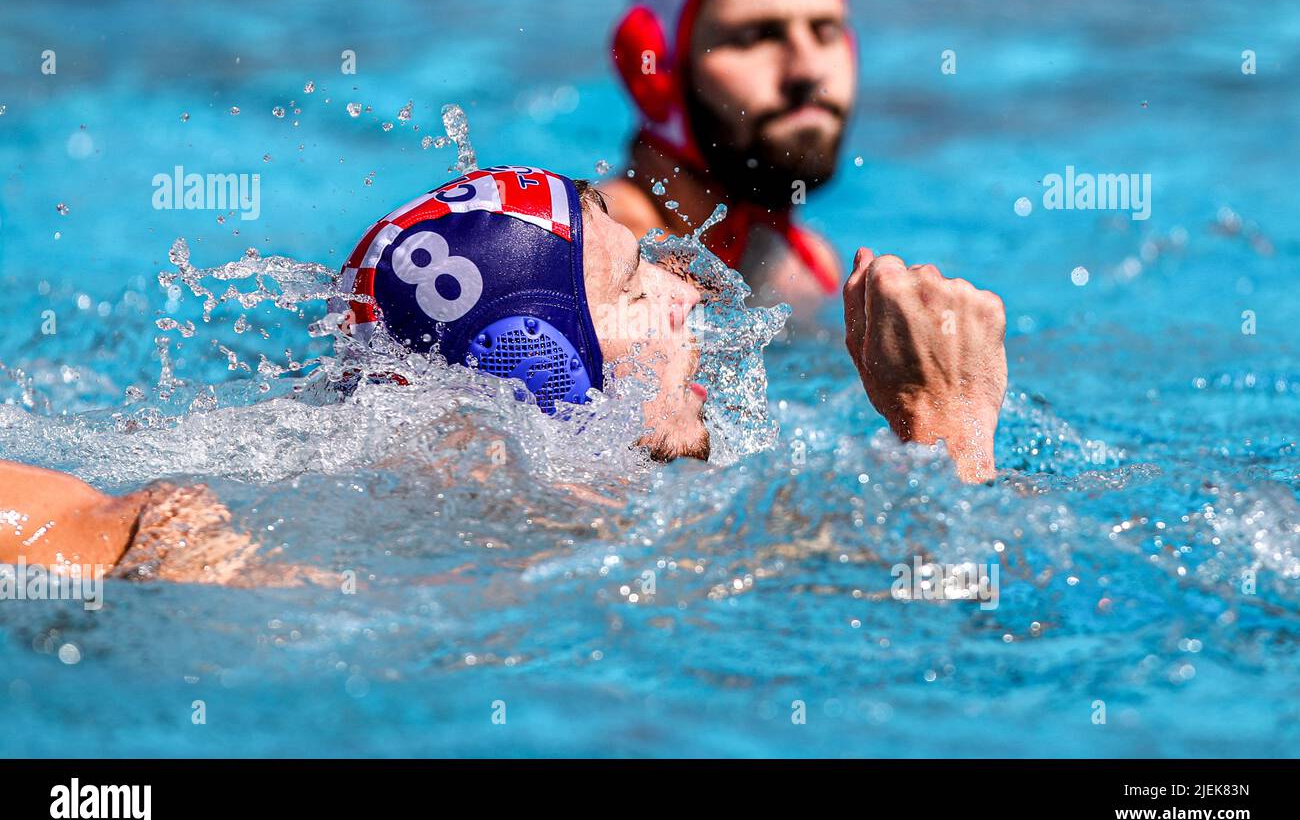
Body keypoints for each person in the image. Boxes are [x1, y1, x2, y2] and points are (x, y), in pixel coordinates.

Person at [0, 164, 1006, 581]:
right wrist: (948, 428)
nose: (689, 296)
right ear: (532, 369)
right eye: (628, 285)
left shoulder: (611, 530)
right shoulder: (212, 538)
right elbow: (942, 657)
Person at [606, 0, 984, 323]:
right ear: (652, 68)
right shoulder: (587, 270)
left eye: (825, 31)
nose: (807, 70)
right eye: (755, 36)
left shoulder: (812, 270)